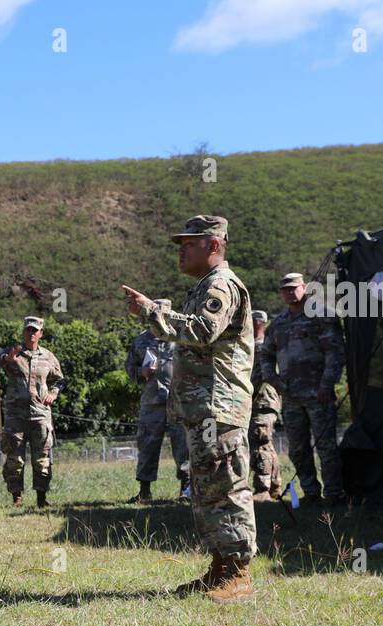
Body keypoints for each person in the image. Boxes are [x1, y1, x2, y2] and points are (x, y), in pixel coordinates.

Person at [120, 215, 257, 603]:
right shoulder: (203, 286)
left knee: (227, 487)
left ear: (213, 245)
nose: (181, 249)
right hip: (203, 408)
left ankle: (239, 574)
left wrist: (151, 312)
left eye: (189, 243)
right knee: (208, 489)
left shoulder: (222, 286)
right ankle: (220, 568)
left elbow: (201, 330)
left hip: (220, 405)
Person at [260, 272, 345, 506]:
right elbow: (265, 353)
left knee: (326, 448)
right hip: (290, 396)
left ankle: (334, 494)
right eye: (285, 289)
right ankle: (311, 493)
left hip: (319, 394)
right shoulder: (278, 323)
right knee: (297, 449)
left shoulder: (323, 316)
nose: (290, 292)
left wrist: (327, 385)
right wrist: (272, 378)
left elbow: (335, 353)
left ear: (305, 287)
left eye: (294, 288)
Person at [0, 316, 65, 507]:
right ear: (24, 332)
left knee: (42, 459)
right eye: (28, 330)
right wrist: (5, 359)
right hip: (16, 416)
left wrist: (53, 393)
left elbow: (60, 380)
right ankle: (17, 498)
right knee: (15, 459)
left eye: (35, 330)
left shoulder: (48, 356)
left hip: (40, 414)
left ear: (41, 334)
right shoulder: (13, 352)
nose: (31, 333)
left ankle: (42, 498)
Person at [126, 299, 189, 502]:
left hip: (178, 403)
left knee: (183, 447)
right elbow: (130, 368)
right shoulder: (141, 341)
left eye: (164, 314)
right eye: (156, 313)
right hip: (152, 403)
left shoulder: (182, 339)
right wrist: (140, 371)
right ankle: (145, 492)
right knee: (147, 446)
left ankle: (186, 491)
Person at [249, 310, 283, 501]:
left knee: (260, 442)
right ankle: (275, 485)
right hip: (263, 401)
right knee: (267, 444)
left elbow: (257, 377)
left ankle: (262, 488)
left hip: (262, 400)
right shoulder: (258, 345)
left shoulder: (261, 347)